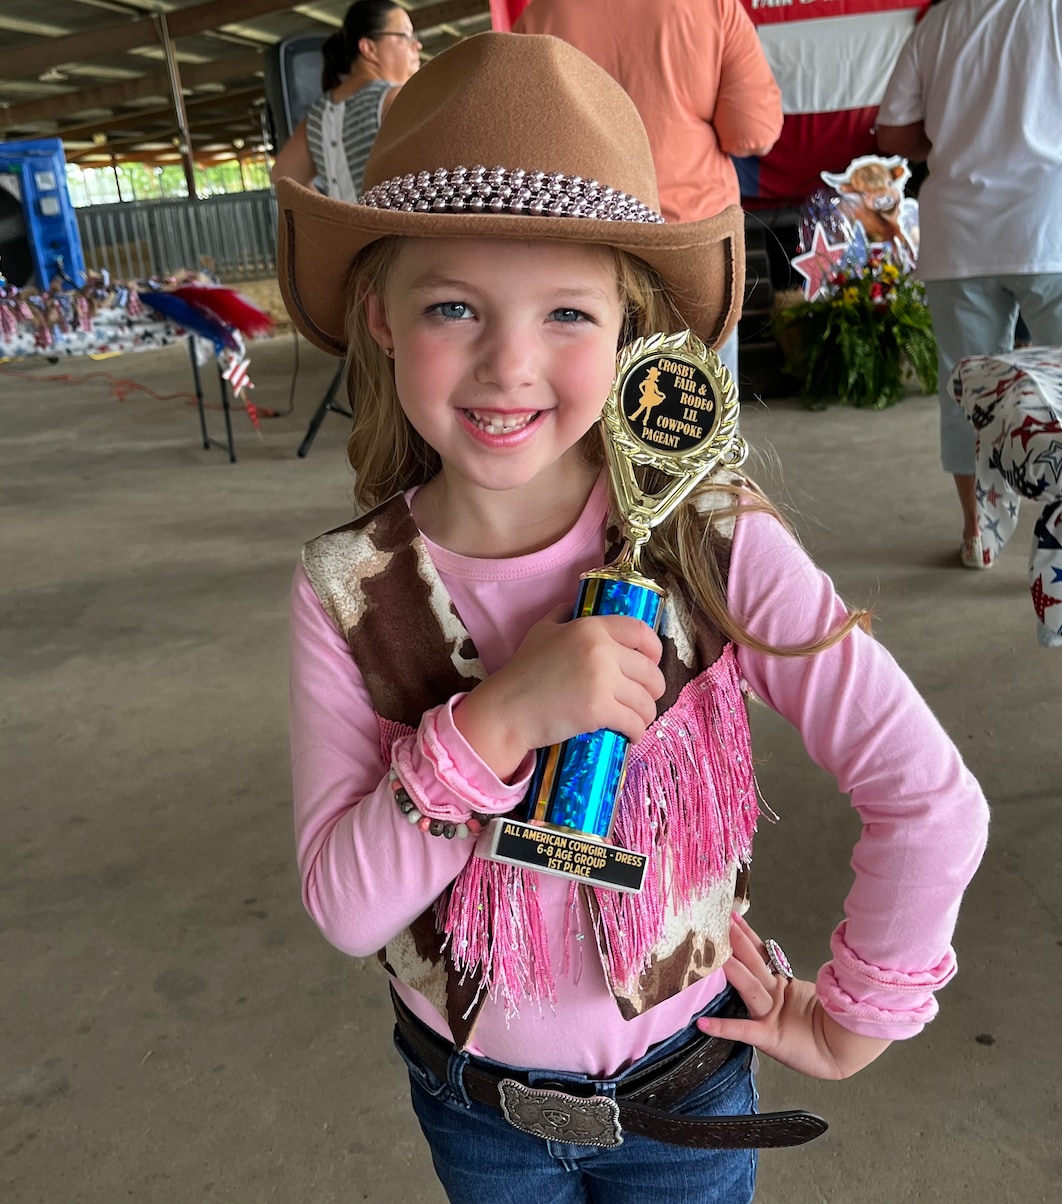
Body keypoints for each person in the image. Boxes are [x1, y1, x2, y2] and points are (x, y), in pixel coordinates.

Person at [278, 33, 988, 1204]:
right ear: (381, 314)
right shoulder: (349, 588)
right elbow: (349, 905)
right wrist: (497, 720)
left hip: (687, 1086)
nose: (511, 364)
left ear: (630, 330)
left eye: (567, 311)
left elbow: (928, 795)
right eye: (455, 303)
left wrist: (856, 1018)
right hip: (476, 1108)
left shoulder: (714, 540)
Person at [877, 0, 1062, 569]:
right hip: (1054, 230)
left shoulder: (939, 23)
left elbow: (892, 133)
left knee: (969, 393)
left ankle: (978, 535)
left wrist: (955, 140)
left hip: (960, 236)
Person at [514, 0, 783, 384]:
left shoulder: (542, 13)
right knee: (699, 413)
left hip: (586, 243)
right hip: (691, 245)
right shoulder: (711, 6)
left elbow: (528, 142)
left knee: (594, 414)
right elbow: (753, 132)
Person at [269, 1, 421, 202]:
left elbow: (282, 175)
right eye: (405, 35)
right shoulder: (394, 98)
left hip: (345, 233)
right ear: (369, 48)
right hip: (396, 232)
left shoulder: (317, 117)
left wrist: (331, 218)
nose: (417, 45)